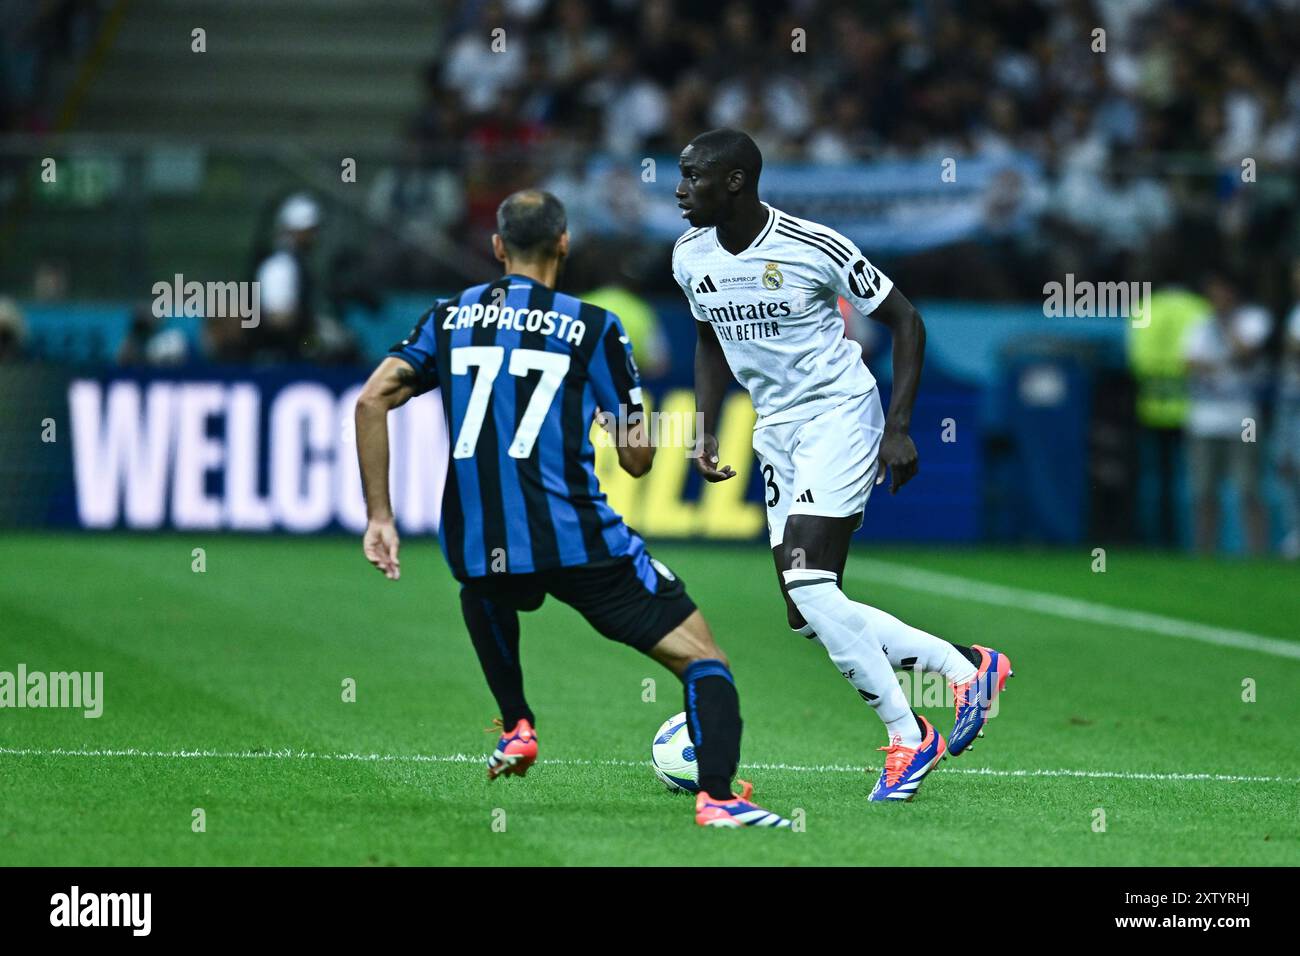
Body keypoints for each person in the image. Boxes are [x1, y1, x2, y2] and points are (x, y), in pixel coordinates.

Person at [354, 189, 790, 828]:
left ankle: (517, 725)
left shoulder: (448, 317)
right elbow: (638, 460)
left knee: (486, 584)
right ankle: (719, 799)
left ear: (498, 248)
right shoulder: (593, 327)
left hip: (478, 540)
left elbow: (371, 401)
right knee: (705, 661)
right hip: (579, 538)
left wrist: (380, 517)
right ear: (564, 244)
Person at [673, 129, 1013, 802]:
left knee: (810, 582)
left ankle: (908, 736)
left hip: (839, 413)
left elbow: (907, 321)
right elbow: (709, 338)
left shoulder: (813, 246)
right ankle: (967, 668)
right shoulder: (689, 255)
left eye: (692, 178)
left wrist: (898, 427)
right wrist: (706, 425)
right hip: (776, 430)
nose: (680, 190)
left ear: (735, 182)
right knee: (806, 612)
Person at [1184, 271, 1272, 555]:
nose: (1217, 298)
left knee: (1248, 486)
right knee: (1204, 489)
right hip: (1205, 416)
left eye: (1222, 291)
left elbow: (1245, 353)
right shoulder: (1199, 324)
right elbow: (1188, 363)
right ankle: (1205, 550)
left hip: (1242, 415)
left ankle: (1257, 551)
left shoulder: (1252, 319)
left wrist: (1225, 328)